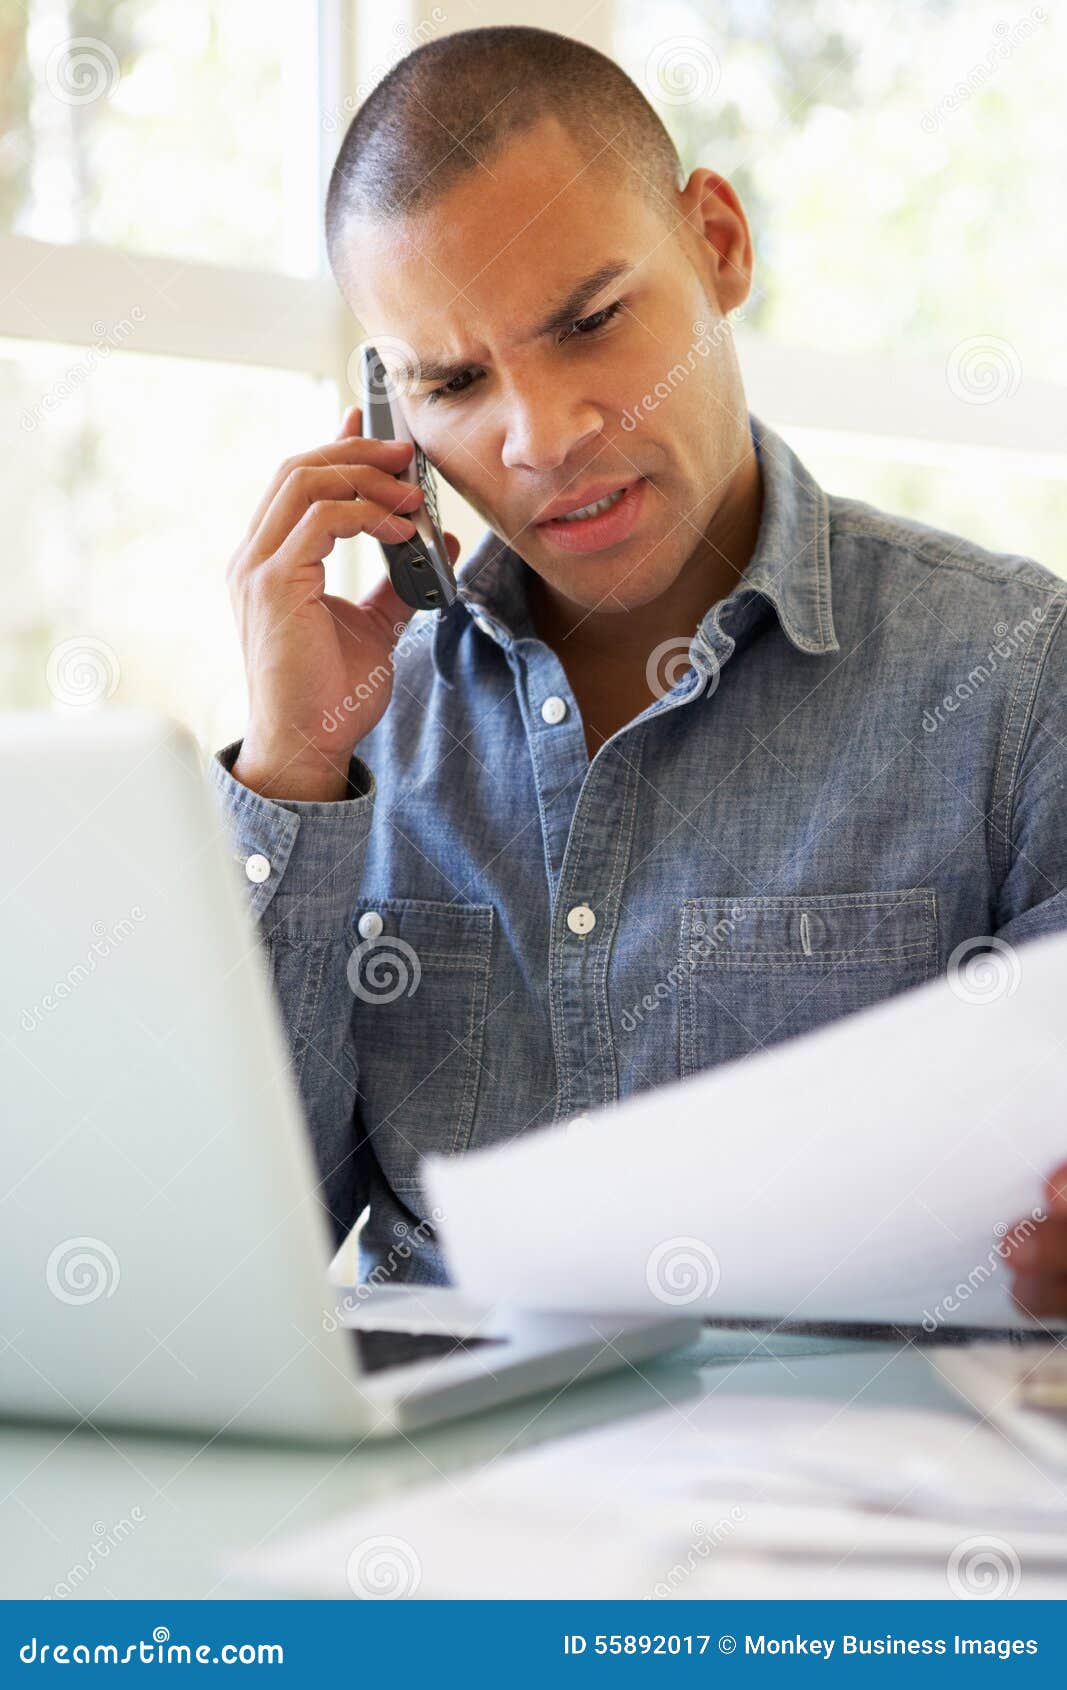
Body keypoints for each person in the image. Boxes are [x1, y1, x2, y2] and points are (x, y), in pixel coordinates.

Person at [211, 25, 1067, 1314]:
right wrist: (293, 768)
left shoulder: (1012, 675)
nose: (543, 435)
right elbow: (224, 1257)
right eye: (453, 379)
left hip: (841, 1484)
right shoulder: (354, 726)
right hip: (437, 1493)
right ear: (388, 419)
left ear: (716, 245)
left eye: (592, 321)